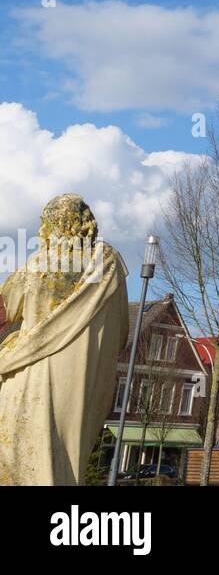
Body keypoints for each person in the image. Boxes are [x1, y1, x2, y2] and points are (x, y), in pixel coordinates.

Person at [0, 194, 129, 484]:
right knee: (66, 457)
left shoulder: (37, 265)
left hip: (28, 372)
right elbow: (121, 332)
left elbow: (8, 306)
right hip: (79, 377)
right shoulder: (107, 262)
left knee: (22, 455)